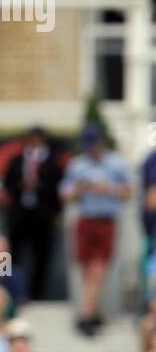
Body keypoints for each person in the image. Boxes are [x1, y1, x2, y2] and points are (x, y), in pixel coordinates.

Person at [60, 125, 133, 337]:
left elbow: (130, 190)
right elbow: (65, 193)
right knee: (86, 269)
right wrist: (81, 189)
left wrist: (107, 188)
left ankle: (86, 314)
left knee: (98, 267)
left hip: (106, 221)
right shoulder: (78, 165)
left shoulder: (116, 164)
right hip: (86, 219)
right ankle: (94, 312)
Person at [2, 127, 63, 302]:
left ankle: (38, 295)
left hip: (42, 217)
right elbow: (7, 183)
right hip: (19, 216)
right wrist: (21, 185)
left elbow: (56, 188)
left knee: (41, 258)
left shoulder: (52, 163)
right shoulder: (17, 161)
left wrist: (39, 186)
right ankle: (10, 291)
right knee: (9, 256)